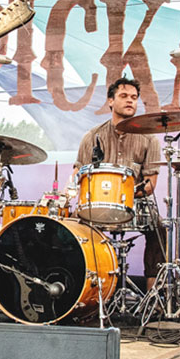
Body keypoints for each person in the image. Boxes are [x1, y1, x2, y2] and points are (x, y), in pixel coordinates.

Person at [73, 78, 165, 291]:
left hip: (135, 203)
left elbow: (151, 183)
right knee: (73, 226)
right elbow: (79, 173)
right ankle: (85, 288)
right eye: (124, 96)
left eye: (134, 97)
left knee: (158, 227)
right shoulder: (92, 136)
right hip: (97, 203)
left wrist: (129, 192)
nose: (130, 101)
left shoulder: (150, 139)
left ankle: (154, 293)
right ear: (110, 102)